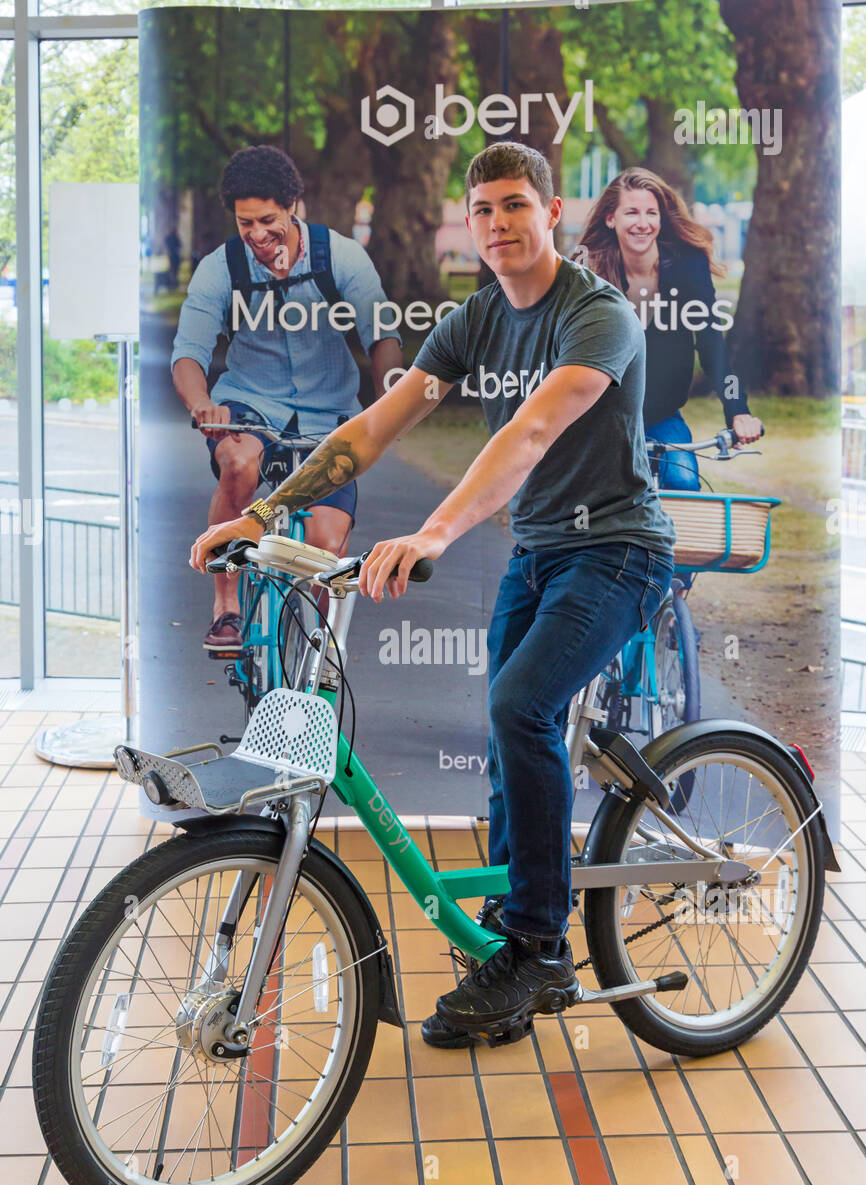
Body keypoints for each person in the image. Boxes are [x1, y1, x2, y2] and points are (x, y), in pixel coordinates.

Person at [190, 140, 676, 1047]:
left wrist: (434, 531)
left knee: (520, 707)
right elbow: (375, 426)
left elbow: (530, 434)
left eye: (515, 206)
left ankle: (537, 946)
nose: (498, 226)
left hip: (616, 550)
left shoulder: (597, 314)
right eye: (483, 209)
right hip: (538, 553)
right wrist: (264, 516)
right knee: (508, 739)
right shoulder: (480, 318)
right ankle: (510, 954)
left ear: (554, 211)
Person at [172, 144, 402, 648]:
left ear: (294, 204)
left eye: (267, 219)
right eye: (244, 222)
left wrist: (390, 390)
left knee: (323, 546)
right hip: (250, 404)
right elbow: (189, 350)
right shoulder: (222, 267)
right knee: (237, 463)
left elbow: (381, 331)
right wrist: (201, 405)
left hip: (330, 415)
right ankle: (227, 603)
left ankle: (318, 653)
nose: (256, 234)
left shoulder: (339, 255)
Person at [578, 167, 762, 491]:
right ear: (611, 219)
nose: (642, 223)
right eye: (631, 212)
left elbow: (713, 348)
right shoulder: (588, 273)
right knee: (594, 496)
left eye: (652, 213)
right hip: (599, 417)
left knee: (684, 483)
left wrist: (739, 411)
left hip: (662, 414)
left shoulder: (688, 266)